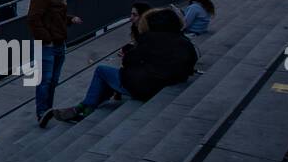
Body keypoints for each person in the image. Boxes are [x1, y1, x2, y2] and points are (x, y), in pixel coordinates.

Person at [46, 7, 197, 124]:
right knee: (113, 77)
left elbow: (128, 62)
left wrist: (129, 54)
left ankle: (85, 107)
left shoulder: (149, 39)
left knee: (102, 70)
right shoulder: (184, 42)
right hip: (166, 83)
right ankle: (85, 106)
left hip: (146, 87)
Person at [29, 0, 83, 128]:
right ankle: (42, 113)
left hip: (59, 43)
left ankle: (47, 111)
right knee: (45, 80)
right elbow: (33, 19)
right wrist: (46, 40)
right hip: (47, 45)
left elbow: (55, 17)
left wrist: (70, 19)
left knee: (53, 80)